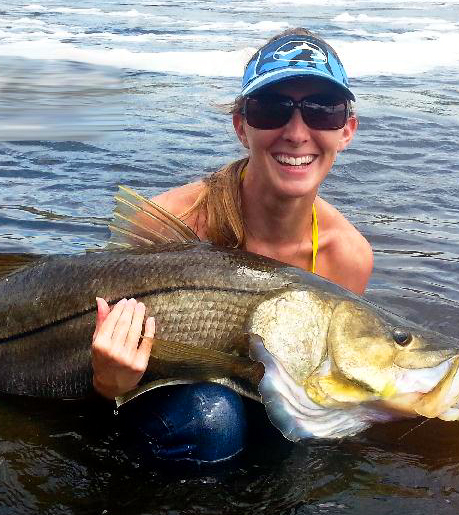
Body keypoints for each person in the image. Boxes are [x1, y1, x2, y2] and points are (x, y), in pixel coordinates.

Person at [92, 28, 373, 465]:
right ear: (242, 126)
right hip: (160, 406)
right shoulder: (167, 221)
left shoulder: (347, 257)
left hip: (255, 404)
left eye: (322, 110)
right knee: (213, 419)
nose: (296, 132)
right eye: (272, 108)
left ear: (346, 130)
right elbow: (81, 348)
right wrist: (108, 382)